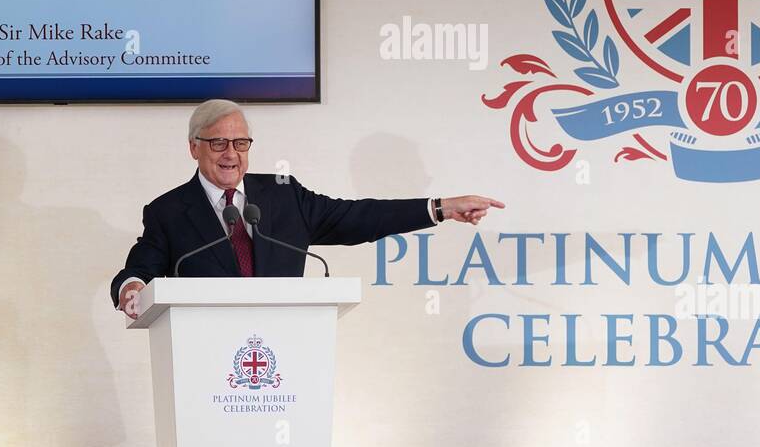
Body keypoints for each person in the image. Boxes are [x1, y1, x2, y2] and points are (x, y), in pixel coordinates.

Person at [111, 99, 505, 318]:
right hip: (202, 363)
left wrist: (439, 207)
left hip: (286, 354)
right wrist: (132, 288)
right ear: (193, 147)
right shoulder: (168, 211)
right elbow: (139, 269)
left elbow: (357, 218)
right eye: (218, 144)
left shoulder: (283, 195)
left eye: (241, 143)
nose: (231, 154)